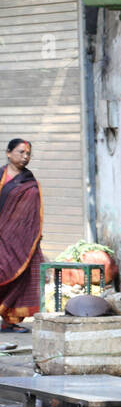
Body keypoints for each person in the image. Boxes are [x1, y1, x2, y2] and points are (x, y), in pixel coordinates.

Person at [0, 139, 42, 333]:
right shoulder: (0, 175)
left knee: (19, 278)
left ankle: (9, 320)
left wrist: (33, 236)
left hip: (21, 242)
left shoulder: (30, 183)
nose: (25, 157)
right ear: (8, 153)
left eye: (28, 154)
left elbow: (31, 216)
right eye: (21, 152)